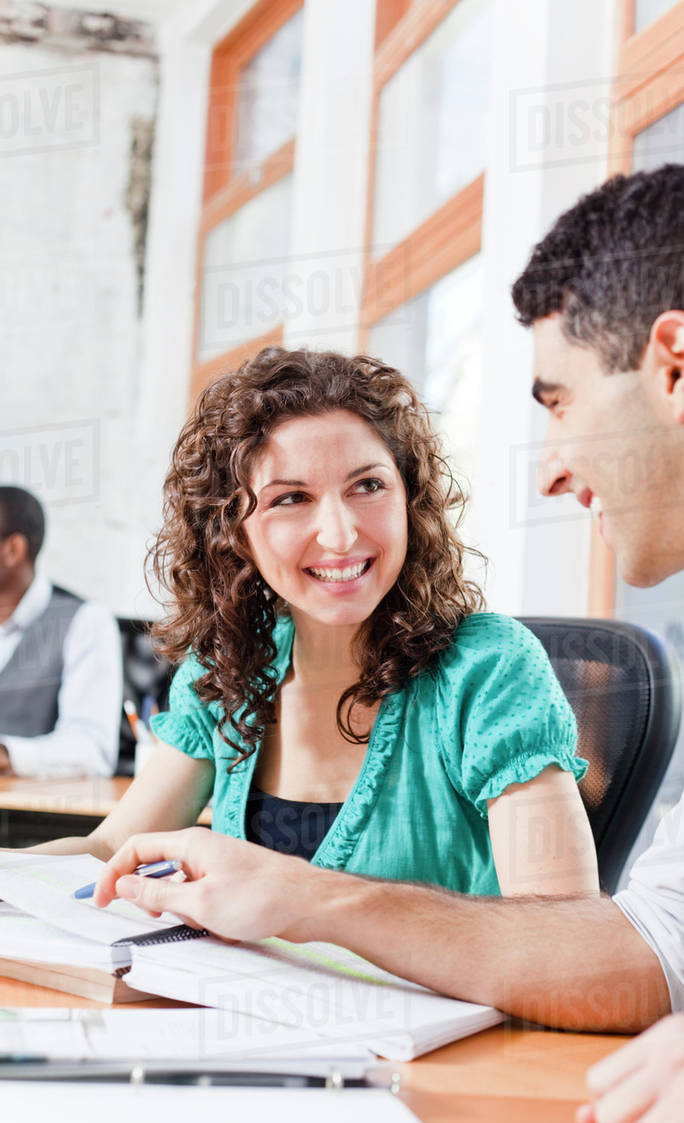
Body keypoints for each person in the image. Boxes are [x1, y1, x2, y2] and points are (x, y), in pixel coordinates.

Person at [95, 163, 684, 1123]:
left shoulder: (484, 666)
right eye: (287, 499)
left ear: (675, 364)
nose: (552, 466)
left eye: (558, 401)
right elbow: (675, 944)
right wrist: (307, 899)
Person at [38, 348, 598, 899]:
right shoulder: (230, 669)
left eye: (368, 485)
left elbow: (560, 936)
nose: (340, 533)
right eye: (291, 498)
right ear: (234, 531)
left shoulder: (488, 669)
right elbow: (112, 848)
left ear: (410, 497)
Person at [0, 485, 122, 777]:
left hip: (27, 817)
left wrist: (7, 755)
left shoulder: (86, 622)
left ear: (13, 550)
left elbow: (93, 750)